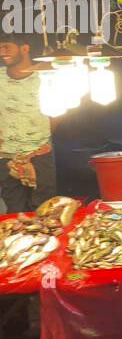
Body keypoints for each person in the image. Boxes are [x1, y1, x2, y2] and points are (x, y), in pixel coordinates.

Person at [0, 33, 56, 213]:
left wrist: (39, 140)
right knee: (14, 212)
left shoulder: (45, 77)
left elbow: (58, 113)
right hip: (6, 157)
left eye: (7, 47)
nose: (2, 52)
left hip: (40, 155)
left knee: (44, 211)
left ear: (25, 48)